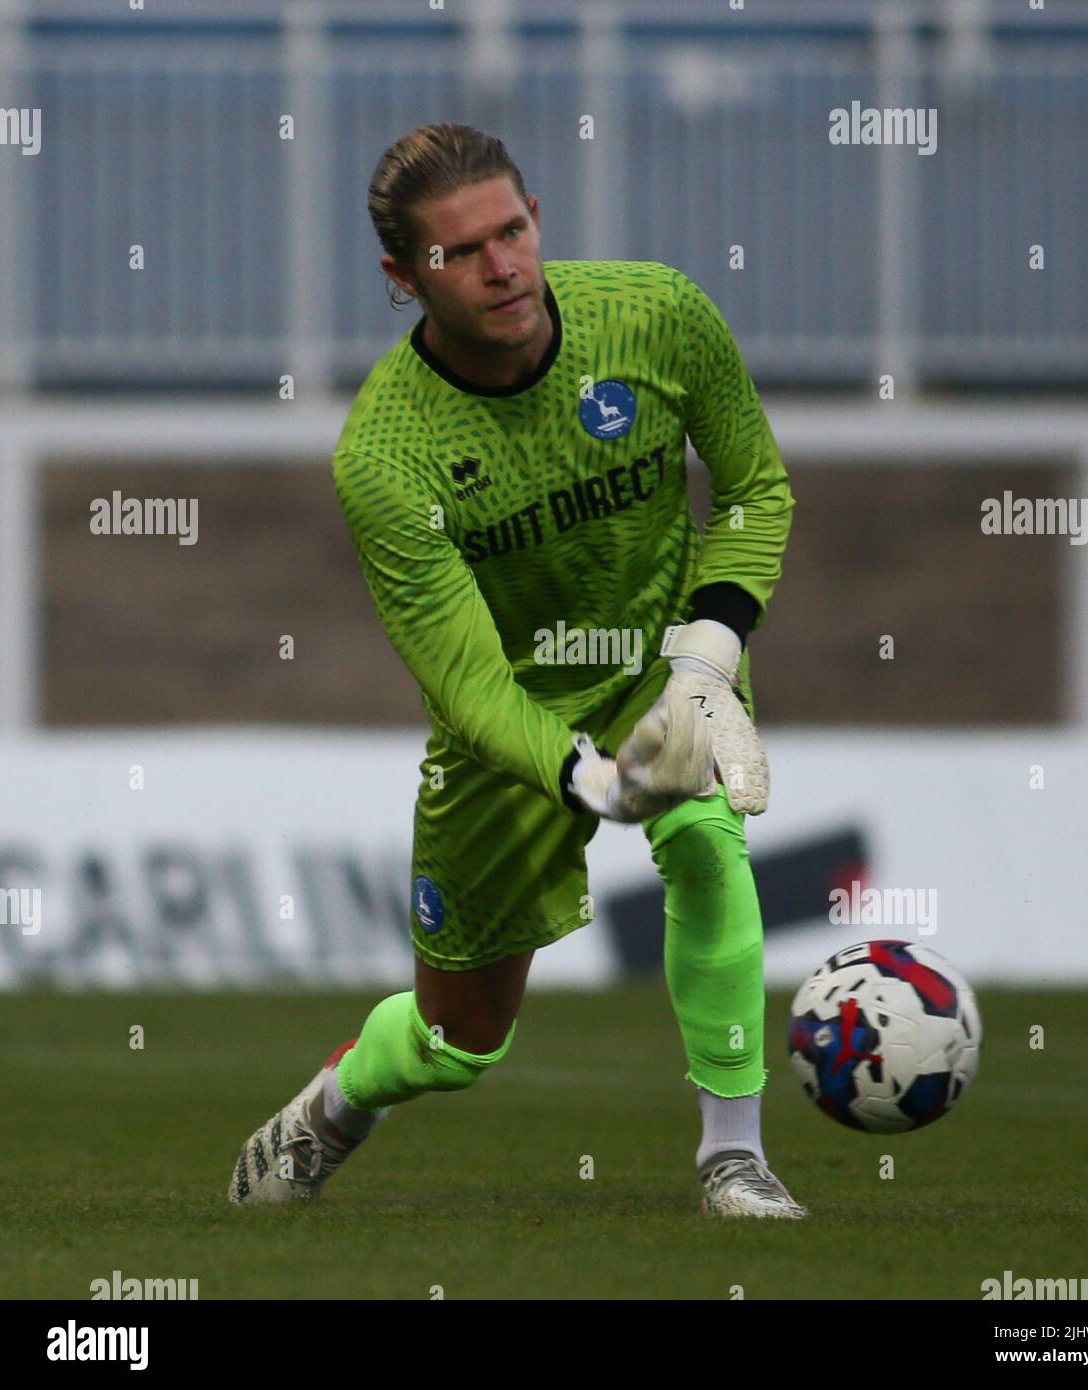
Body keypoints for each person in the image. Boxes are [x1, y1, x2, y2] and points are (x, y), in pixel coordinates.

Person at [227, 122, 802, 1219]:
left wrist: (706, 661)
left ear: (536, 216)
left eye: (512, 230)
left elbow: (753, 491)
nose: (501, 266)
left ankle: (734, 1157)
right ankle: (337, 1102)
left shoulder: (656, 314)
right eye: (459, 253)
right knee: (458, 1044)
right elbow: (470, 684)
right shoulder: (383, 455)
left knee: (706, 837)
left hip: (656, 663)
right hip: (512, 729)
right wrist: (588, 777)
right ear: (404, 277)